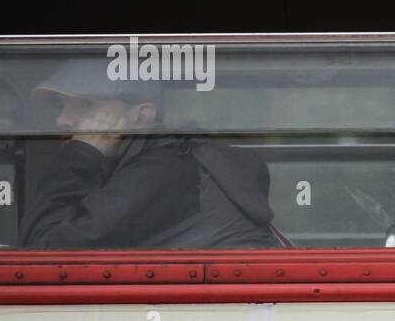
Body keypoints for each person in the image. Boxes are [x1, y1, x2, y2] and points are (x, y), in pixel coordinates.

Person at [19, 65, 280, 249]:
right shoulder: (170, 161)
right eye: (60, 106)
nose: (61, 120)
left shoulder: (163, 170)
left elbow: (44, 251)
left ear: (141, 117)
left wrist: (82, 154)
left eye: (87, 105)